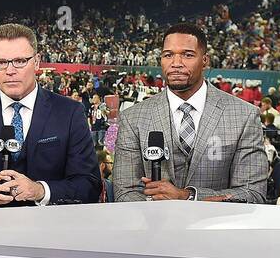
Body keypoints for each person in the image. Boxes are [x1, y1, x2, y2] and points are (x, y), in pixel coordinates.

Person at [0, 24, 100, 209]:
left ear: (37, 62)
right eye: (1, 62)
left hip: (51, 231)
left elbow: (89, 183)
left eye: (20, 61)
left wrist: (40, 191)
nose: (10, 70)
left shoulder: (70, 112)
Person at [113, 24, 268, 203]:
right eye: (168, 55)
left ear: (205, 61)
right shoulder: (133, 118)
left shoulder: (244, 115)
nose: (176, 63)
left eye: (187, 55)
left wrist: (188, 196)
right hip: (155, 228)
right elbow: (125, 192)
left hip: (215, 227)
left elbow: (253, 193)